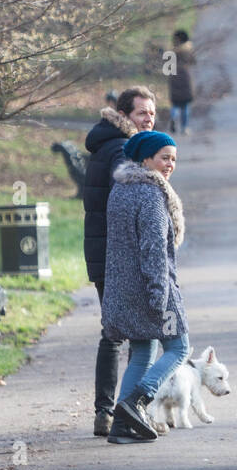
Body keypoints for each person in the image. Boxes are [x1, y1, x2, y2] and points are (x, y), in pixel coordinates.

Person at [102, 130, 189, 444]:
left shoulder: (120, 188)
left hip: (124, 288)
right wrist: (159, 293)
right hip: (152, 288)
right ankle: (136, 401)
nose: (169, 165)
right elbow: (153, 249)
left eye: (173, 159)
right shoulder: (152, 194)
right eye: (164, 157)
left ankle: (121, 426)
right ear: (146, 159)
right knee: (180, 348)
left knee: (142, 352)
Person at [83, 85, 157, 437]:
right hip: (120, 257)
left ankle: (105, 412)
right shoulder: (123, 151)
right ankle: (129, 410)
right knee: (141, 334)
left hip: (104, 255)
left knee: (112, 333)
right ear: (125, 115)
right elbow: (127, 204)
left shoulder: (106, 144)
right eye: (142, 113)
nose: (148, 119)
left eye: (152, 113)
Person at [167, 29, 195, 135]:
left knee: (175, 104)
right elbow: (193, 62)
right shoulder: (188, 50)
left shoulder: (170, 52)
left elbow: (167, 68)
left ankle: (173, 117)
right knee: (185, 105)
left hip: (173, 78)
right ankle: (184, 127)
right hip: (185, 77)